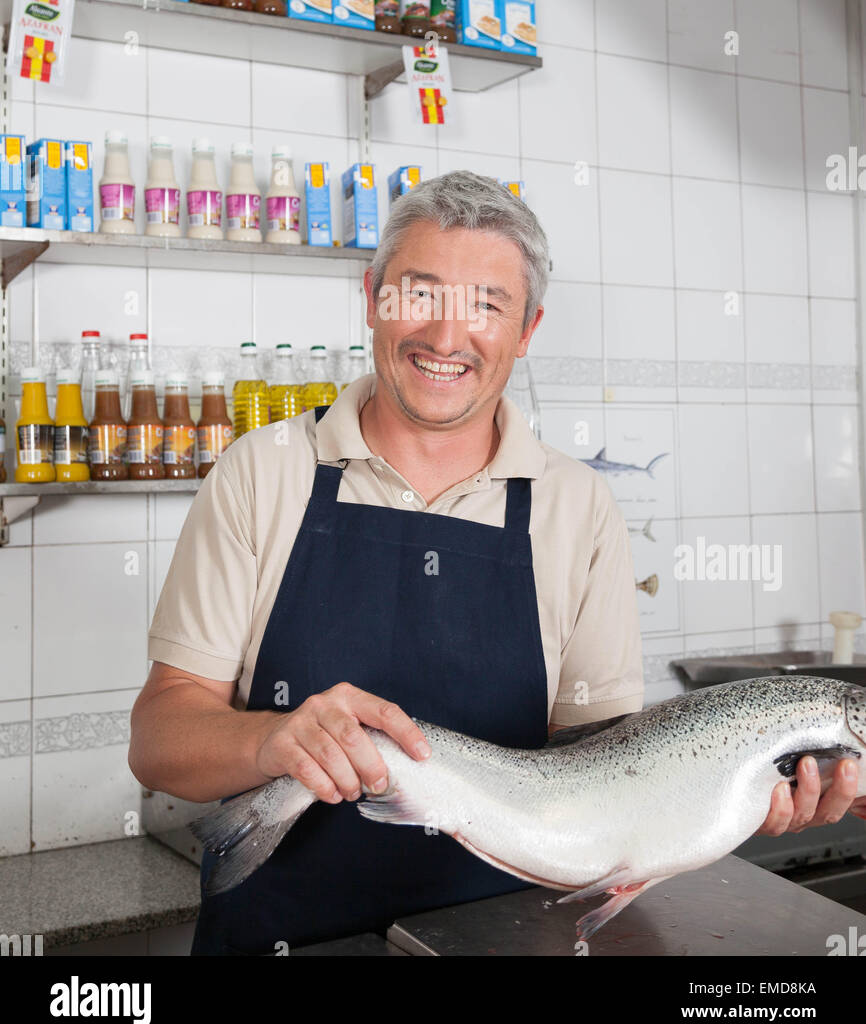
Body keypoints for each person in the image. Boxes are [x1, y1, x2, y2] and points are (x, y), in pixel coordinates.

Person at [128, 170, 859, 955]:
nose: (446, 339)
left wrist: (741, 800)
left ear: (527, 327)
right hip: (283, 940)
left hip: (495, 939)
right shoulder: (261, 473)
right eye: (419, 294)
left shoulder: (577, 508)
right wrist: (270, 745)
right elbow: (159, 740)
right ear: (372, 296)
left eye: (486, 305)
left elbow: (606, 777)